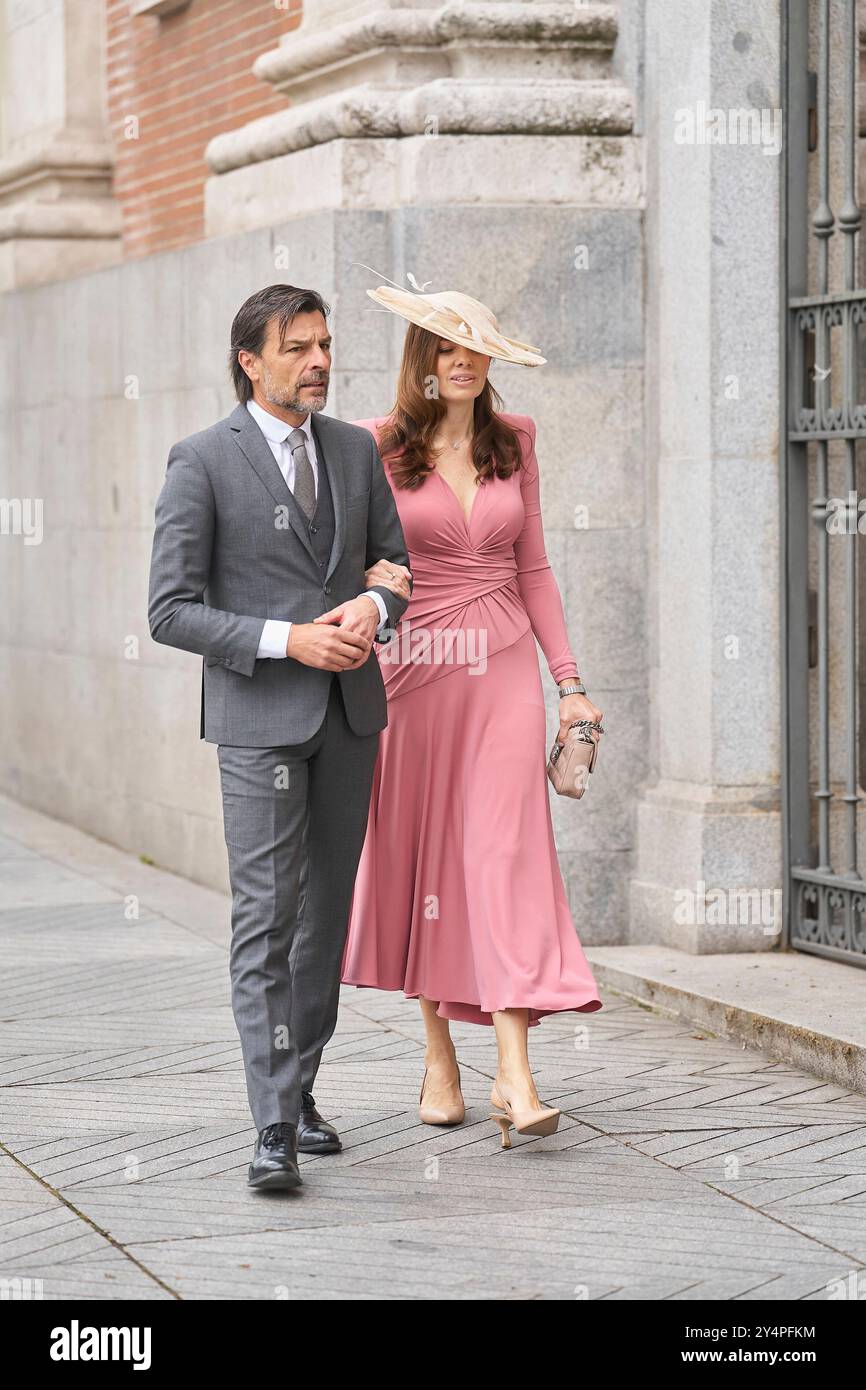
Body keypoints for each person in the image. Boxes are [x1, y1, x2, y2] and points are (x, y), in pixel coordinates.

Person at [148, 284, 412, 1190]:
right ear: (249, 362)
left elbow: (397, 568)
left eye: (326, 345)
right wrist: (287, 638)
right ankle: (271, 1128)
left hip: (348, 718)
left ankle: (299, 1089)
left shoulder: (354, 449)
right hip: (260, 724)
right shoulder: (200, 462)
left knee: (323, 921)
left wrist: (373, 607)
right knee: (265, 918)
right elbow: (170, 612)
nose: (320, 362)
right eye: (298, 348)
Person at [340, 287, 604, 1148]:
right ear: (421, 357)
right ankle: (440, 1059)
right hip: (412, 673)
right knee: (431, 864)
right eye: (446, 345)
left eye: (477, 346)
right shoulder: (381, 446)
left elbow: (535, 569)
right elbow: (361, 564)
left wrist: (567, 683)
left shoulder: (515, 440)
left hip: (499, 671)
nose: (463, 359)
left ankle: (516, 1076)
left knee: (504, 856)